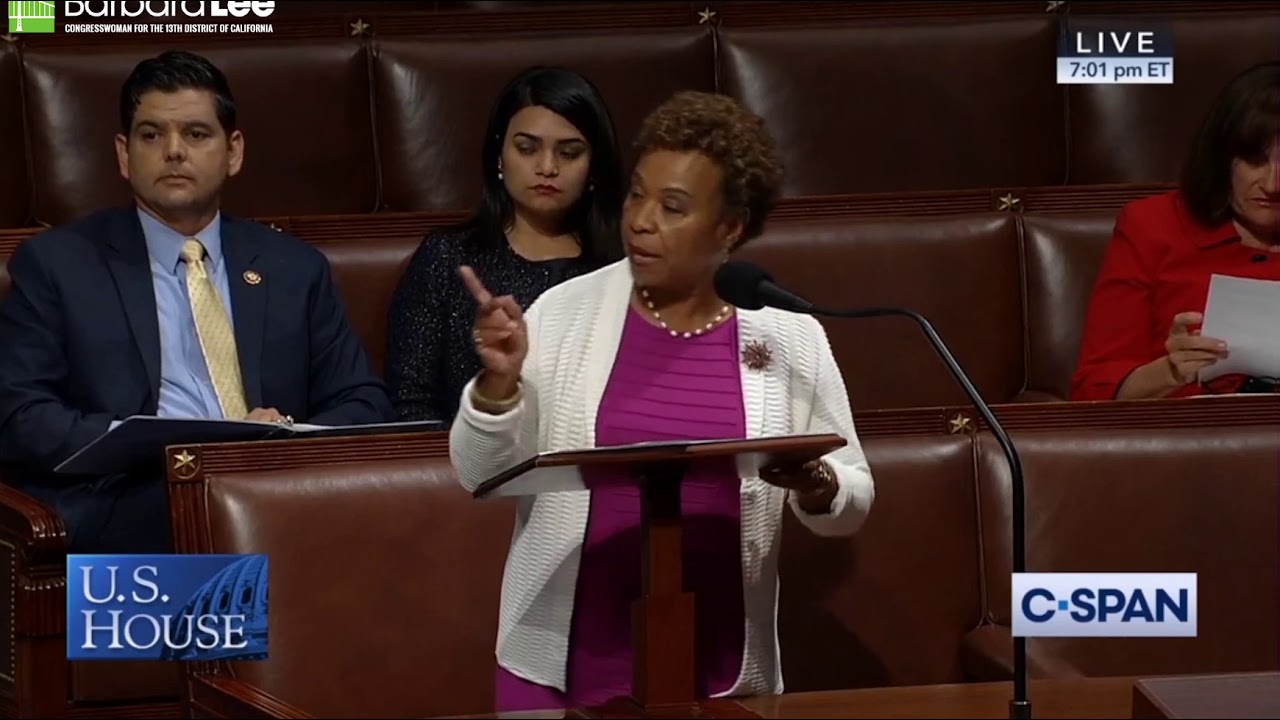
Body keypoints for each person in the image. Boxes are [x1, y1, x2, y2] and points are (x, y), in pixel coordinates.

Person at [449, 91, 876, 711]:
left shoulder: (789, 336)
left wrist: (815, 482)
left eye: (672, 207)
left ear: (729, 227)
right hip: (558, 669)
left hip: (721, 676)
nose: (641, 220)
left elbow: (853, 498)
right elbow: (478, 474)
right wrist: (498, 386)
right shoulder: (565, 315)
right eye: (636, 195)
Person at [0, 50, 392, 555]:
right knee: (216, 515)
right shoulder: (58, 264)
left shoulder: (293, 267)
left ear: (233, 152)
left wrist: (282, 436)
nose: (173, 151)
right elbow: (21, 417)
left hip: (272, 490)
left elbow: (363, 403)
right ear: (123, 155)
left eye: (196, 134)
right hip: (127, 501)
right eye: (151, 135)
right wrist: (137, 440)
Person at [384, 66, 625, 425]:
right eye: (527, 148)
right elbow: (411, 406)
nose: (547, 167)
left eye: (569, 153)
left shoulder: (623, 268)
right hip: (468, 471)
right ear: (499, 156)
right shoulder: (449, 258)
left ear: (594, 168)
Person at [1072, 61, 1280, 401]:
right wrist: (1170, 371)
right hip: (1194, 440)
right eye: (1255, 160)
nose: (1274, 184)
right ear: (1222, 159)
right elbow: (1093, 393)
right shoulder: (1153, 226)